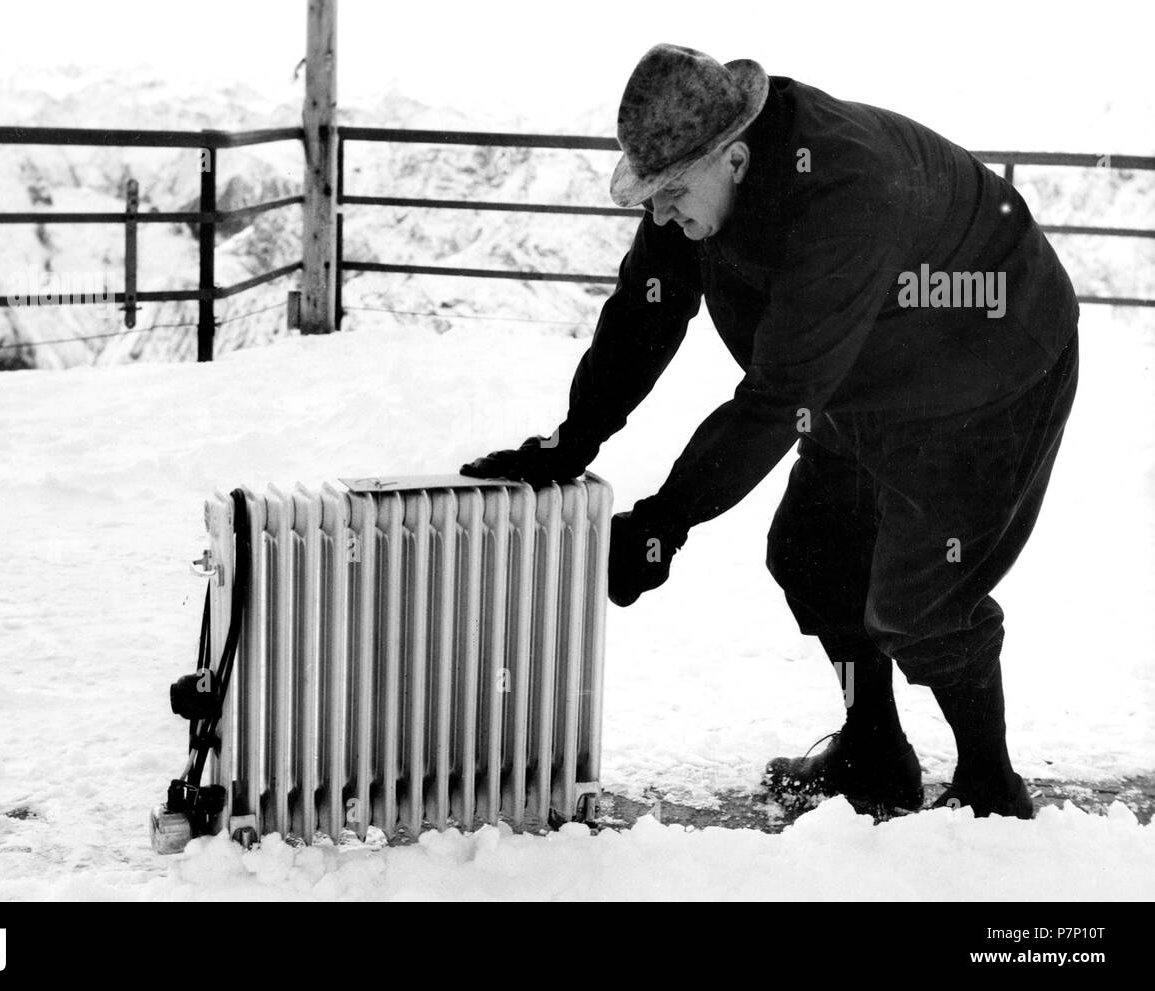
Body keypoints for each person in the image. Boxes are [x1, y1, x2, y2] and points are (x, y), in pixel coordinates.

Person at [461, 44, 1079, 820]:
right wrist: (572, 441)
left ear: (737, 157)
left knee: (922, 600)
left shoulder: (846, 196)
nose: (659, 214)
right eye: (647, 197)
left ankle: (991, 783)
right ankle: (875, 747)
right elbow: (646, 312)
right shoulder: (693, 192)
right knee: (813, 553)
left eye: (671, 194)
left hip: (990, 363)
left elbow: (776, 400)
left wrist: (665, 521)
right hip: (865, 366)